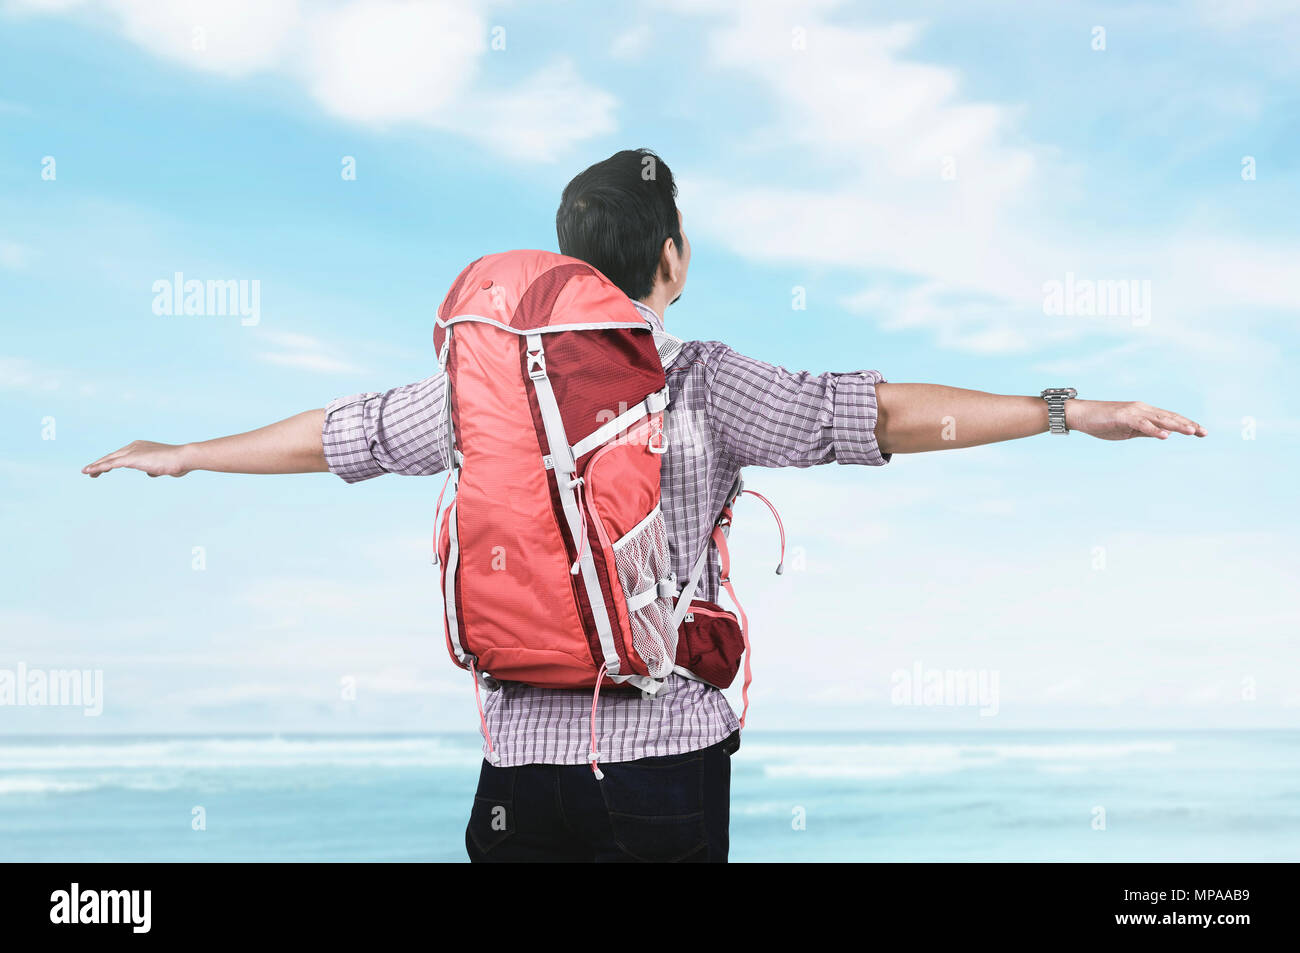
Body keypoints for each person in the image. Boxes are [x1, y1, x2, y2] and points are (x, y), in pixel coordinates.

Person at [83, 148, 1206, 863]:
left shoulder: (485, 395)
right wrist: (1062, 408)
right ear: (670, 260)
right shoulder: (703, 378)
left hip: (518, 777)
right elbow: (876, 413)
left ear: (571, 265)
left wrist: (189, 452)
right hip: (662, 773)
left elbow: (342, 438)